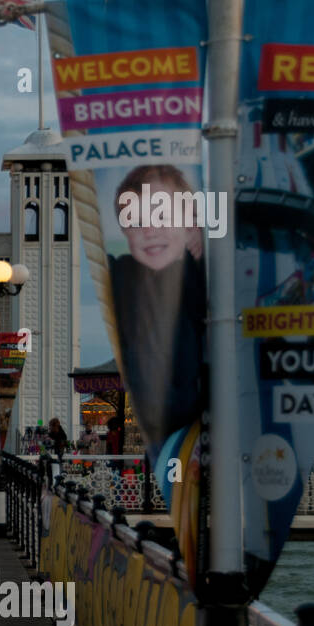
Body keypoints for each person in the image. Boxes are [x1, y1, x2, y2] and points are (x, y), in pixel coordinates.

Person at [109, 164, 207, 449]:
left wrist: (200, 254)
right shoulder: (121, 277)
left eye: (162, 216)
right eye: (136, 222)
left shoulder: (206, 281)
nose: (150, 230)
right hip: (163, 431)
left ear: (190, 225)